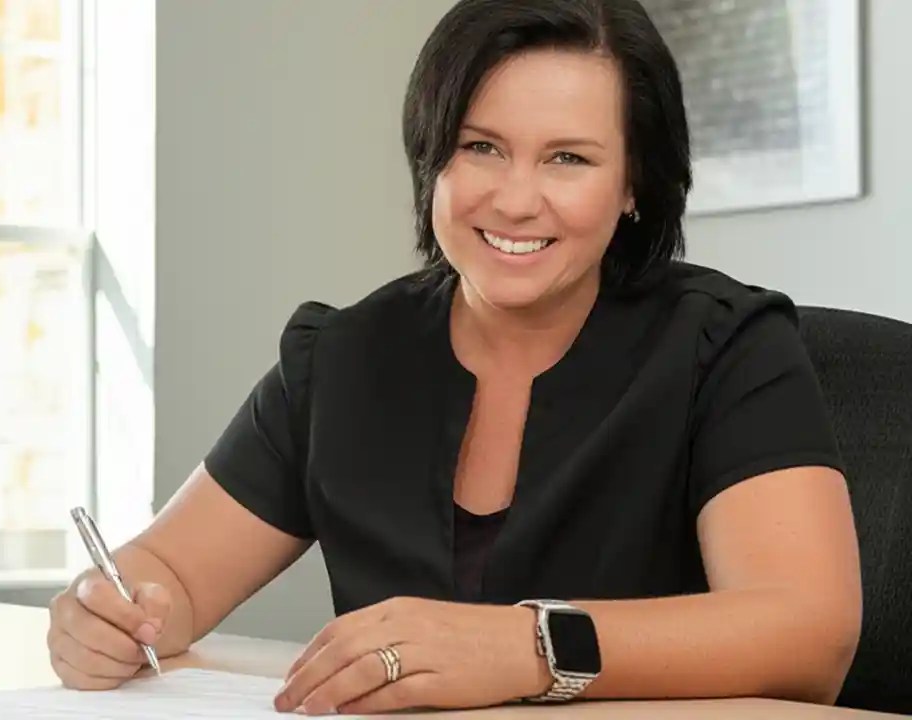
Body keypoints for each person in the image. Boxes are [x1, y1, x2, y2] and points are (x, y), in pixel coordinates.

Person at [47, 0, 862, 714]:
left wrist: (530, 645)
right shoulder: (340, 359)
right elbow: (170, 579)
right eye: (481, 147)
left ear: (633, 184)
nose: (513, 198)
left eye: (568, 158)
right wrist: (107, 615)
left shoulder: (727, 345)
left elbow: (806, 635)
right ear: (433, 156)